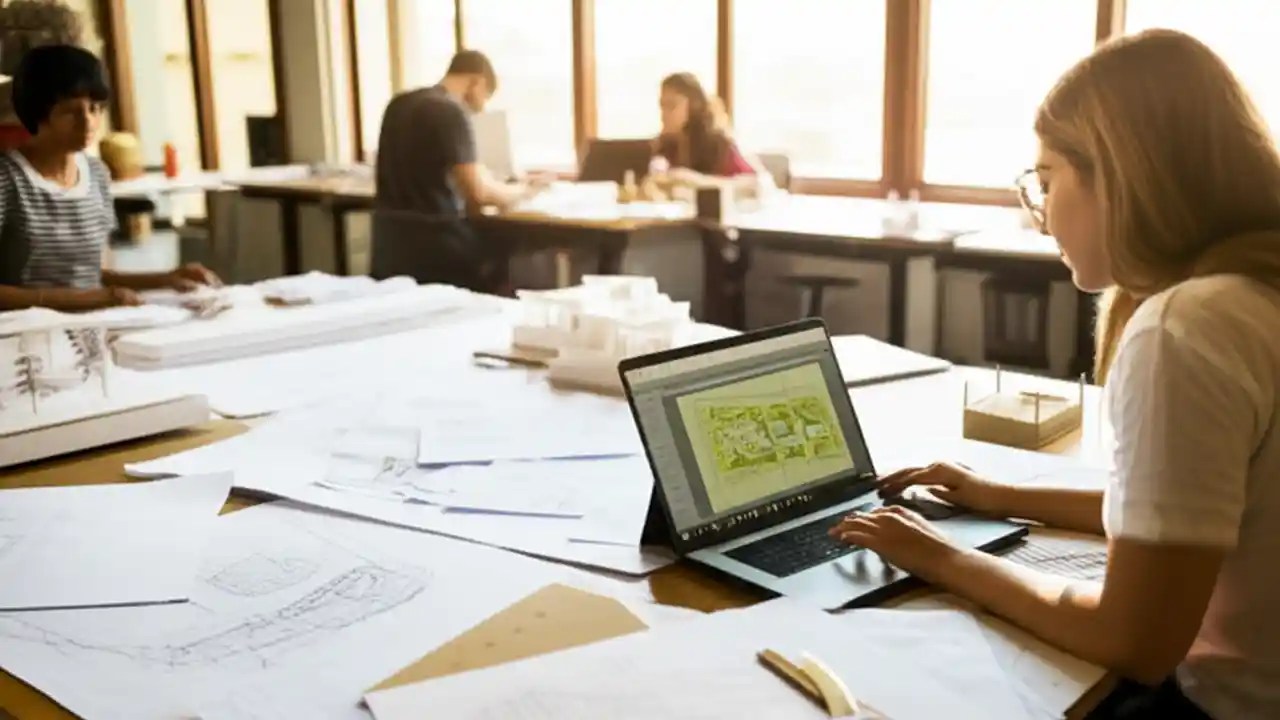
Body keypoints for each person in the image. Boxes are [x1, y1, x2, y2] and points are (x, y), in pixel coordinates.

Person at [830, 30, 1280, 719]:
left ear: (1120, 173)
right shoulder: (1252, 293)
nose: (1040, 219)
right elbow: (1188, 511)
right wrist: (996, 494)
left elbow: (1135, 641)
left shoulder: (1185, 328)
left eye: (1046, 180)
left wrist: (944, 559)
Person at [0, 45, 219, 313]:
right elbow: (85, 293)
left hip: (93, 327)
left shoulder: (96, 173)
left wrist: (165, 278)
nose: (88, 122)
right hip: (26, 339)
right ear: (36, 113)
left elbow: (90, 275)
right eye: (70, 111)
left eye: (95, 108)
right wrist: (90, 300)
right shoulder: (7, 179)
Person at [372, 50, 536, 293]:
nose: (479, 109)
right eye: (485, 97)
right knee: (519, 243)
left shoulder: (399, 103)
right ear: (476, 82)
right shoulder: (450, 111)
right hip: (438, 248)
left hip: (390, 247)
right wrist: (523, 192)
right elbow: (478, 192)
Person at [652, 72, 774, 193]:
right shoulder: (666, 147)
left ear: (694, 105)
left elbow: (755, 183)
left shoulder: (718, 143)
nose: (664, 114)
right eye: (662, 106)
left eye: (671, 105)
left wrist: (698, 181)